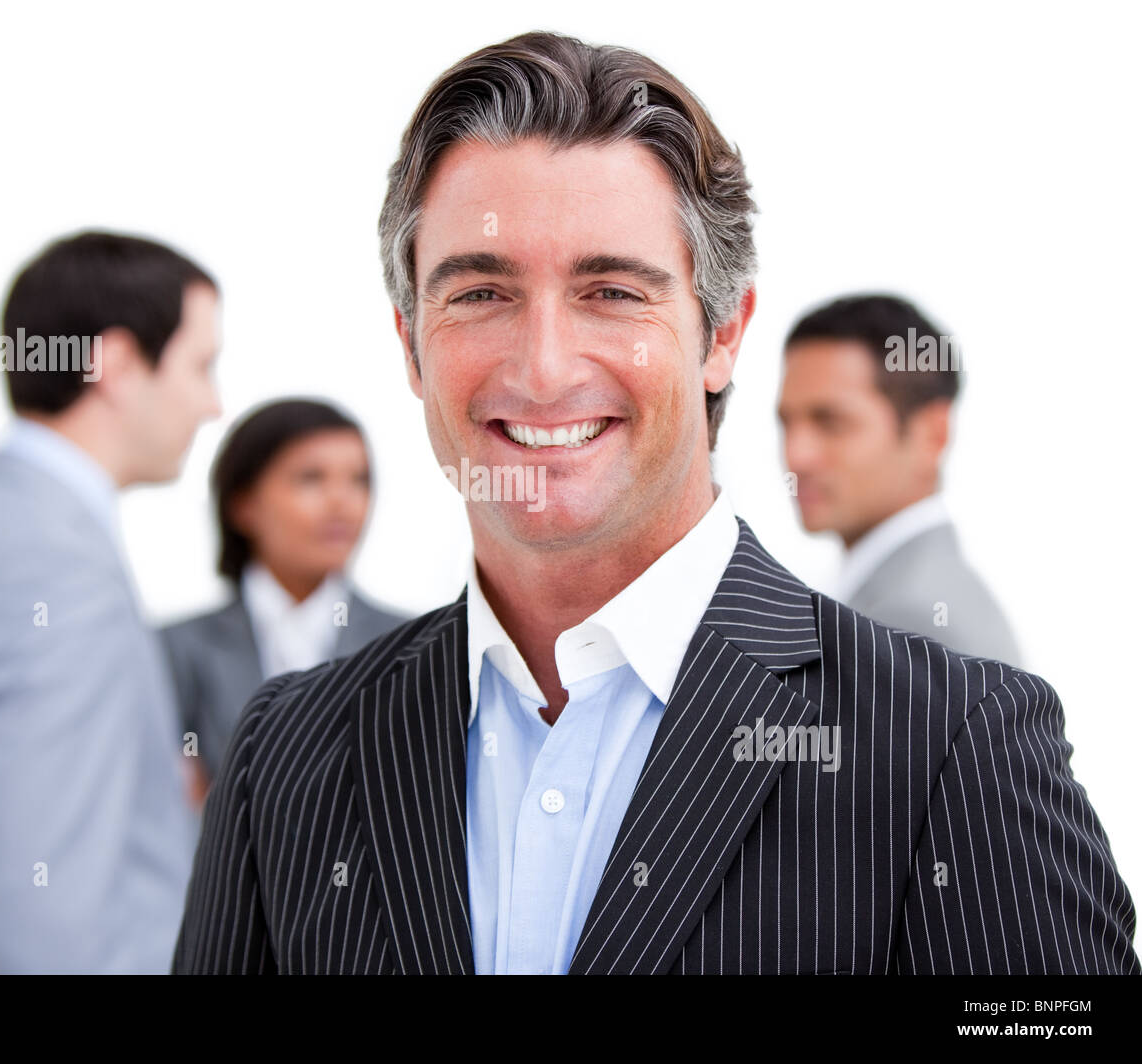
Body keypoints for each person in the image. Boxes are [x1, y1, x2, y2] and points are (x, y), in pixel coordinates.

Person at [173, 32, 1138, 975]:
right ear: (410, 342)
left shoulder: (947, 743)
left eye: (611, 292)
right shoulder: (286, 754)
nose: (544, 367)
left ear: (723, 334)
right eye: (479, 294)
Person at [0, 231, 221, 973]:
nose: (214, 405)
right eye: (201, 366)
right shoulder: (53, 574)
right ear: (117, 364)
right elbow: (49, 931)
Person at [161, 398, 410, 800]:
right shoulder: (174, 649)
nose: (341, 502)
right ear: (243, 504)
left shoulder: (414, 644)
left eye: (359, 480)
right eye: (311, 478)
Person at [777, 293, 1021, 664]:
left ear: (932, 434)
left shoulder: (912, 622)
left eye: (831, 423)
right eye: (786, 423)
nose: (797, 455)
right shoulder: (915, 596)